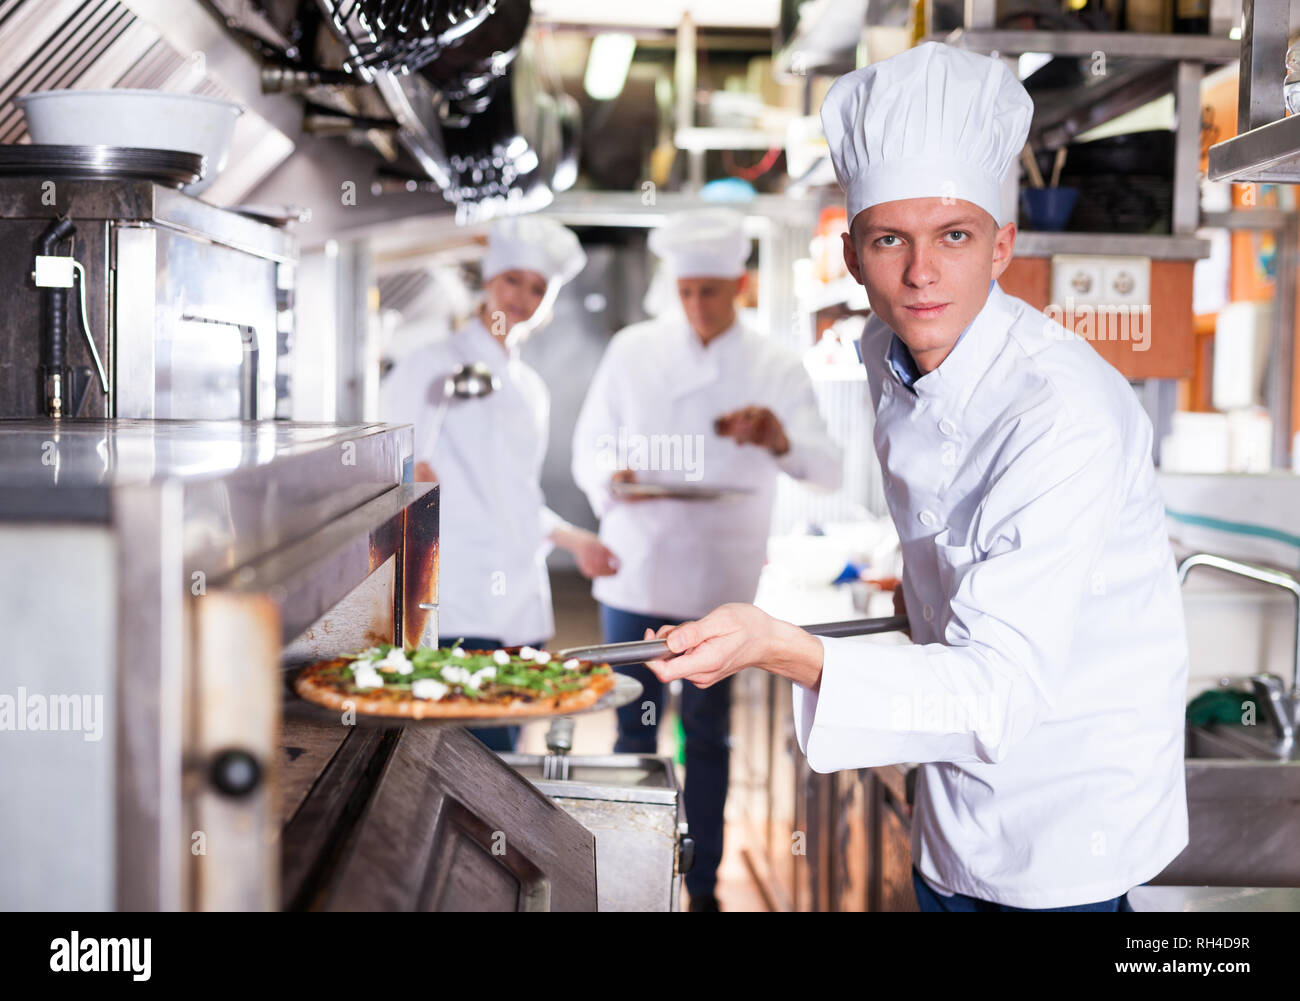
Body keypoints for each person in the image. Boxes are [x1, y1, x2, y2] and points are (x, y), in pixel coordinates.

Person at [639, 42, 1191, 912]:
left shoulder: (1062, 413)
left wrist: (780, 643)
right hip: (951, 799)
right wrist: (919, 602)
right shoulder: (884, 349)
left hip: (1065, 817)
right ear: (852, 255)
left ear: (1002, 245)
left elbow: (999, 690)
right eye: (890, 239)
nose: (921, 273)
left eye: (955, 236)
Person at [571, 208, 843, 911]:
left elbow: (829, 469)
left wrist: (779, 438)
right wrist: (616, 475)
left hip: (722, 583)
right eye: (687, 290)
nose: (697, 305)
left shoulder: (775, 366)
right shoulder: (634, 350)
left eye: (712, 291)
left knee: (709, 735)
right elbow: (589, 447)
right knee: (632, 724)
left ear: (741, 285)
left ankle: (704, 883)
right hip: (638, 569)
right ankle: (628, 873)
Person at [381, 214, 618, 752]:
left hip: (520, 598)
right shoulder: (432, 364)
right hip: (460, 591)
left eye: (537, 288)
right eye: (513, 280)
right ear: (489, 280)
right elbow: (393, 458)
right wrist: (410, 469)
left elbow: (516, 494)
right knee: (465, 754)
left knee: (507, 753)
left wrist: (573, 539)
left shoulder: (531, 388)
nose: (521, 297)